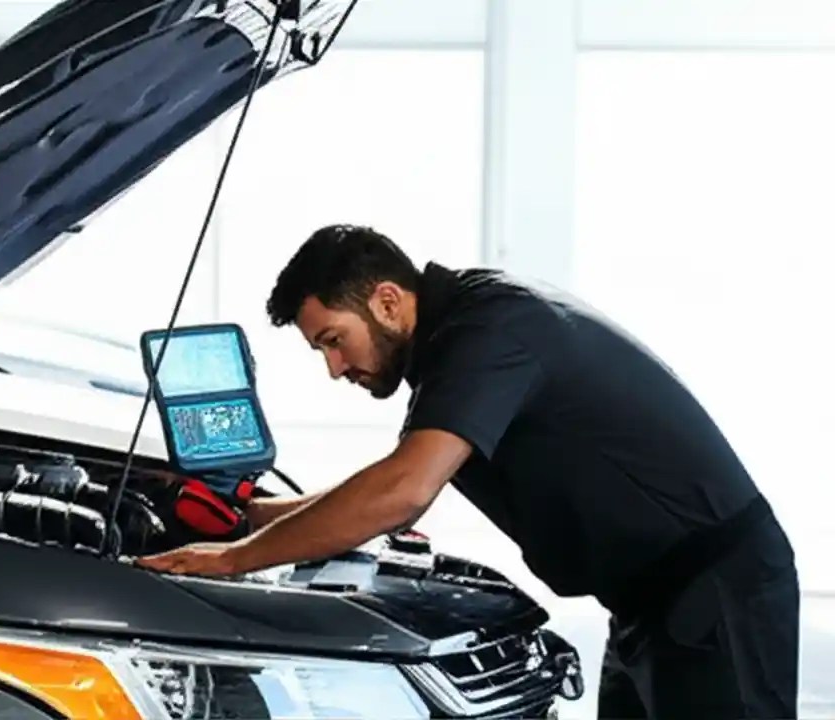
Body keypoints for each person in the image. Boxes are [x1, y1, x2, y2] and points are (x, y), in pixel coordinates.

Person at [137, 224, 800, 719]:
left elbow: (402, 491)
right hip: (649, 604)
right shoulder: (464, 335)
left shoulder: (491, 333)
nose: (334, 368)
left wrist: (233, 562)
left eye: (334, 341)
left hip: (717, 594)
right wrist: (256, 518)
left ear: (389, 302)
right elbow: (394, 476)